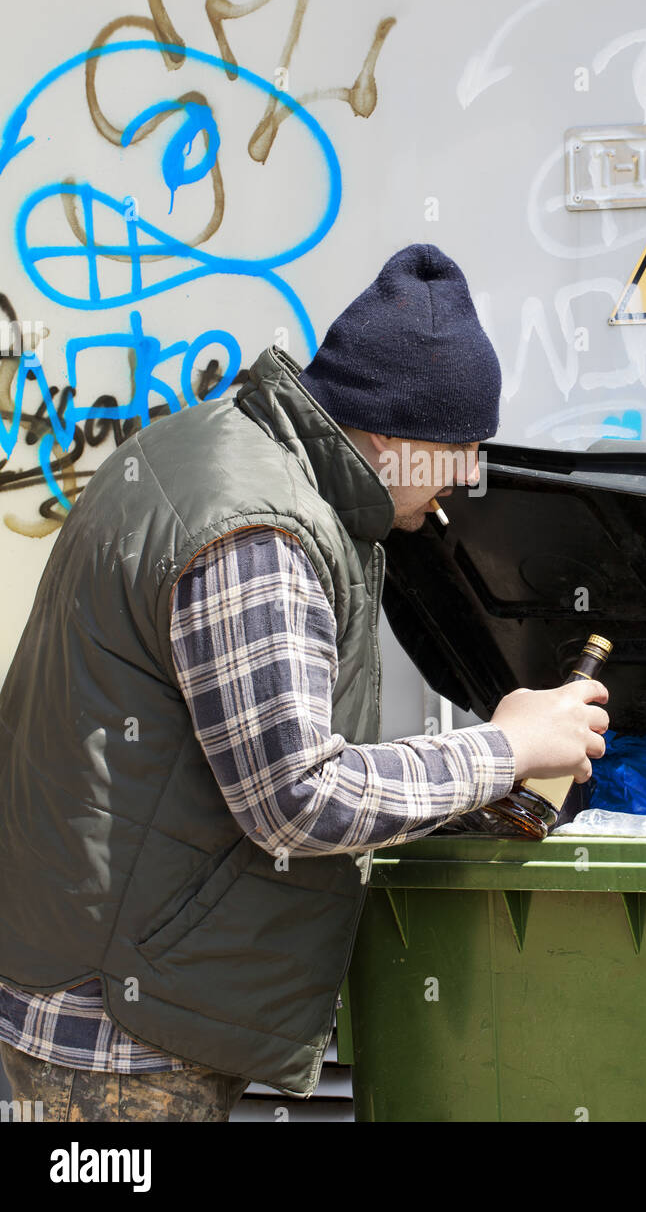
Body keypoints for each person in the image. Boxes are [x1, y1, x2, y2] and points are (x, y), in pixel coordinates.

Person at [0, 243, 608, 1122]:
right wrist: (503, 747)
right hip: (115, 1026)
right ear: (394, 434)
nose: (464, 485)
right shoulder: (260, 533)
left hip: (112, 980)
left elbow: (264, 751)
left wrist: (481, 782)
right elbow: (295, 796)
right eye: (462, 449)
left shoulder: (223, 452)